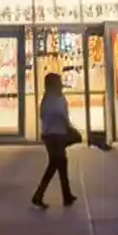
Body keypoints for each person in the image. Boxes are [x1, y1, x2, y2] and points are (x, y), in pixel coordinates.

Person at [32, 72, 79, 208]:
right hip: (54, 136)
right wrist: (68, 127)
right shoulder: (53, 99)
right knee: (55, 165)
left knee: (60, 164)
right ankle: (39, 195)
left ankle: (66, 194)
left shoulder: (49, 99)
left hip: (53, 135)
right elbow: (60, 115)